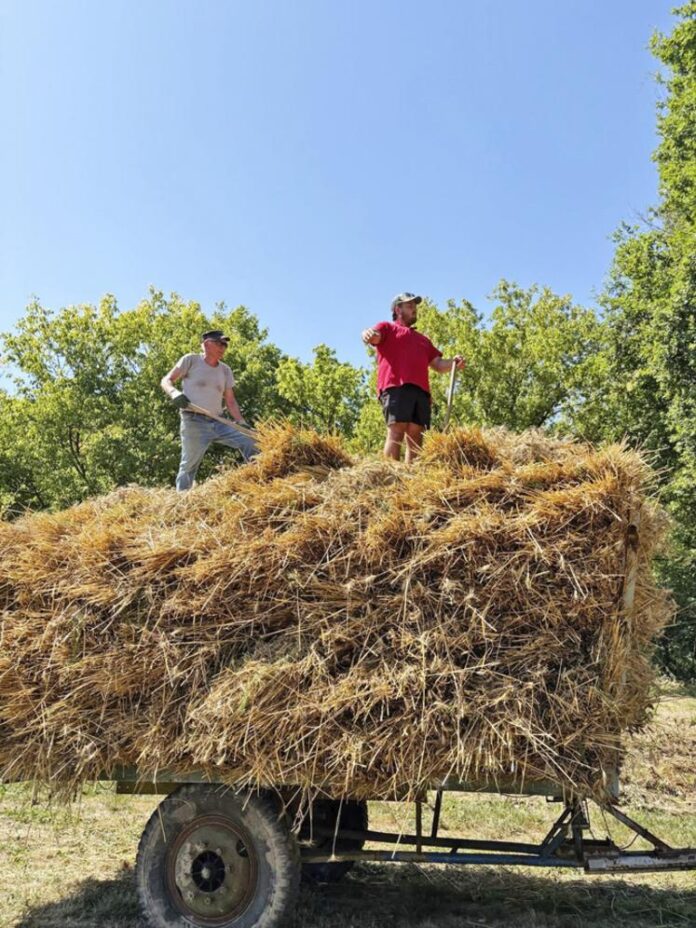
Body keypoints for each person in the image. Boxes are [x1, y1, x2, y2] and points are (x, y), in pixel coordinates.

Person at [361, 293, 465, 462]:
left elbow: (437, 364)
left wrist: (453, 363)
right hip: (396, 386)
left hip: (421, 392)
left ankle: (412, 480)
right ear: (397, 309)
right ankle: (390, 477)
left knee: (416, 436)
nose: (414, 309)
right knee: (397, 431)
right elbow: (374, 336)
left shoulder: (423, 340)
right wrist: (367, 333)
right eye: (409, 306)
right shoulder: (388, 328)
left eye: (414, 306)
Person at [161, 329, 258, 491]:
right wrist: (174, 392)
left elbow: (230, 400)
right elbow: (166, 380)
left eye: (225, 345)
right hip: (194, 421)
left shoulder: (225, 370)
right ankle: (181, 502)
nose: (223, 347)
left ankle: (259, 482)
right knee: (189, 465)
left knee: (250, 441)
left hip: (219, 422)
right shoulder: (190, 360)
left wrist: (241, 422)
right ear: (207, 344)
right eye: (220, 343)